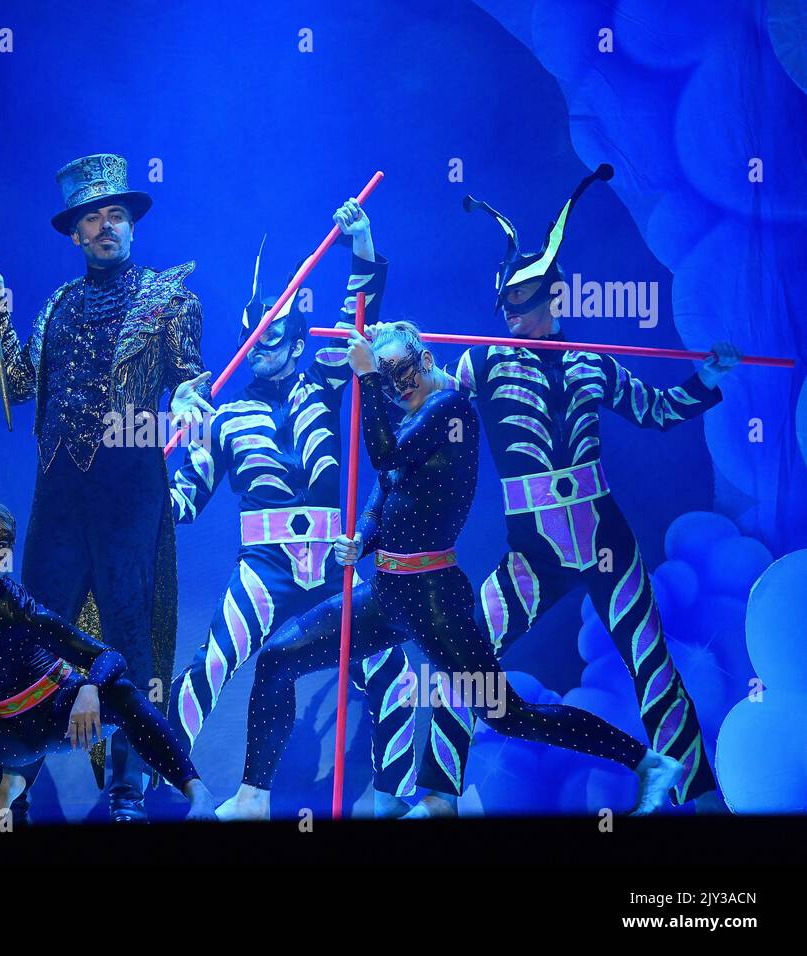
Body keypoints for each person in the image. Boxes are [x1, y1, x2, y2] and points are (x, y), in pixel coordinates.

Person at [216, 321, 685, 821]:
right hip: (388, 593)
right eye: (389, 376)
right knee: (277, 658)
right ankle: (253, 799)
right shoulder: (410, 419)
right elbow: (385, 491)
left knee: (508, 715)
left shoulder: (450, 409)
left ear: (425, 357)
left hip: (435, 600)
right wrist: (361, 539)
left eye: (403, 370)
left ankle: (648, 762)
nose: (400, 384)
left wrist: (368, 377)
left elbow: (385, 455)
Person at [403, 165, 742, 817]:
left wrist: (705, 378)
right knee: (465, 657)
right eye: (512, 302)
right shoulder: (485, 361)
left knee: (655, 668)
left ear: (555, 298)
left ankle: (699, 796)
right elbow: (431, 397)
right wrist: (394, 362)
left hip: (603, 533)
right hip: (534, 549)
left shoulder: (593, 363)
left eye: (532, 298)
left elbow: (656, 410)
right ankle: (439, 797)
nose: (521, 312)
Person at [0, 154, 213, 823]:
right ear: (75, 233)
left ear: (131, 225)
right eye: (92, 219)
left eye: (116, 216)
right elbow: (19, 387)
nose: (106, 227)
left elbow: (192, 377)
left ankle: (129, 790)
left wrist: (192, 401)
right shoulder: (55, 307)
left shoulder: (169, 299)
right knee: (35, 635)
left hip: (130, 489)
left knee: (131, 636)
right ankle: (13, 784)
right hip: (58, 493)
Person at [166, 204, 419, 816]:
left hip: (339, 562)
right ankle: (159, 794)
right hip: (265, 566)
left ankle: (394, 802)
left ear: (295, 341)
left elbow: (356, 321)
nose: (255, 349)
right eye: (248, 338)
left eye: (269, 335)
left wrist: (361, 248)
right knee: (206, 671)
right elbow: (179, 504)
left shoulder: (325, 382)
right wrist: (162, 444)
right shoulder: (223, 416)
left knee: (391, 674)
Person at [0, 503, 217, 824]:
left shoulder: (18, 606)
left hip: (55, 717)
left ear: (10, 551)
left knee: (121, 693)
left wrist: (90, 687)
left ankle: (196, 790)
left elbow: (108, 656)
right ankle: (2, 786)